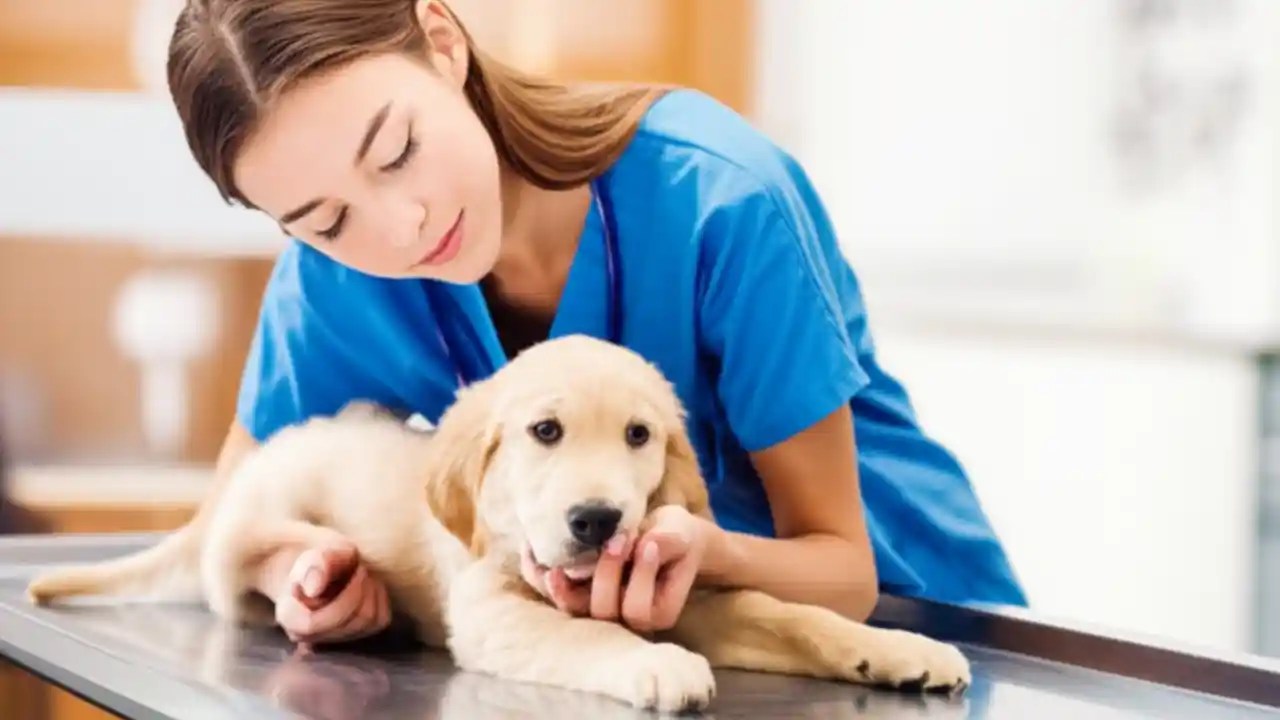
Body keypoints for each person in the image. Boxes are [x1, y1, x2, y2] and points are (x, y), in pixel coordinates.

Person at [171, 0, 1027, 647]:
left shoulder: (720, 199)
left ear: (442, 41)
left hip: (920, 630)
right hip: (674, 661)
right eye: (325, 220)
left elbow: (846, 571)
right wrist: (300, 577)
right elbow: (229, 524)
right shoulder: (337, 278)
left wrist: (701, 554)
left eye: (396, 152)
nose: (401, 228)